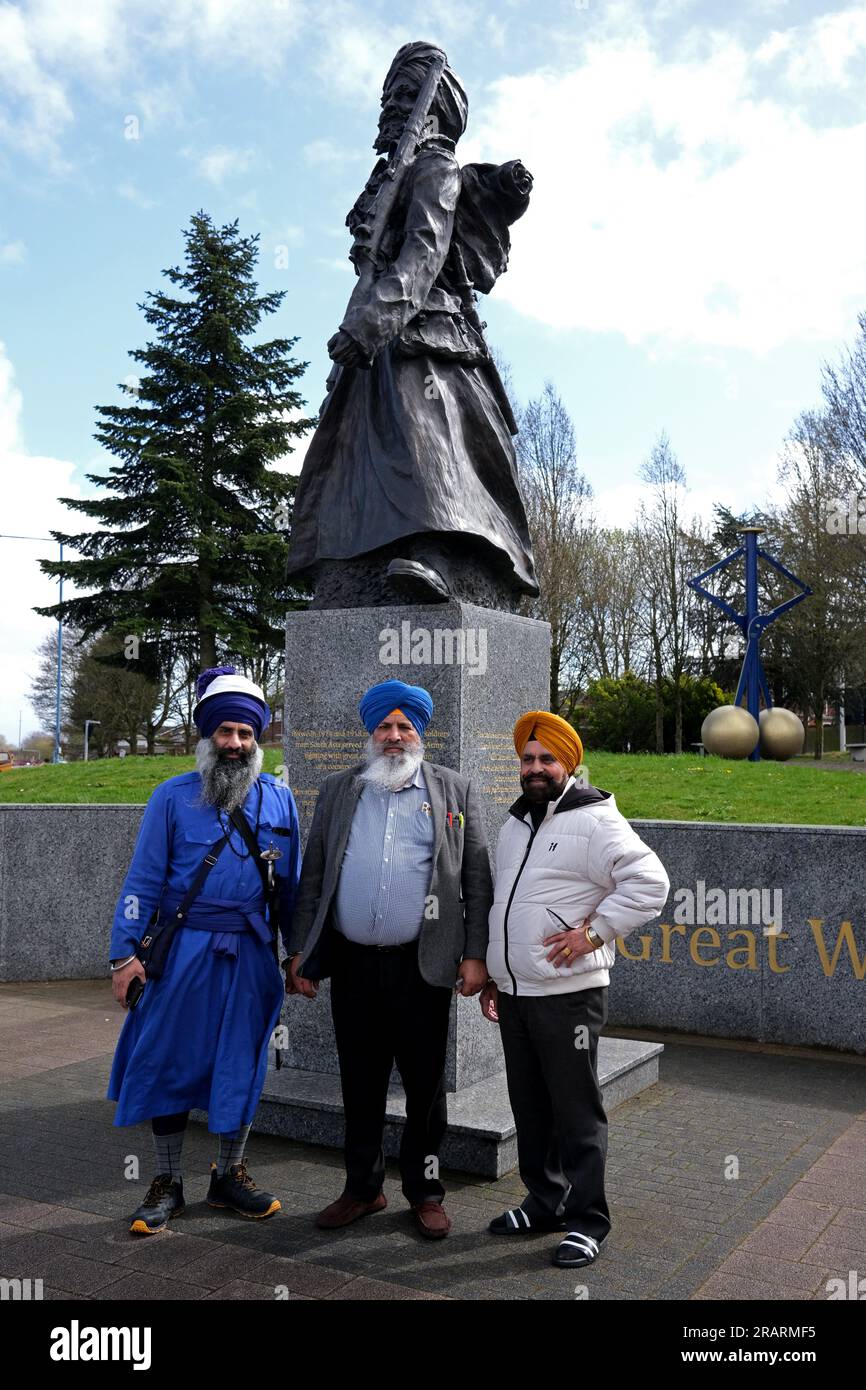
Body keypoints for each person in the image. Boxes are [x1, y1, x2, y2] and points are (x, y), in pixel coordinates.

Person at [285, 41, 539, 611]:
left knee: (426, 441)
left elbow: (424, 249)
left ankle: (434, 555)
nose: (393, 106)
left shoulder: (434, 167)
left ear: (436, 109)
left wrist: (373, 321)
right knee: (353, 458)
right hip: (377, 338)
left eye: (406, 95)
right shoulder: (388, 177)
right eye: (388, 96)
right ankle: (342, 571)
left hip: (425, 333)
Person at [287, 678, 492, 1238]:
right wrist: (299, 950)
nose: (394, 736)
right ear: (370, 732)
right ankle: (362, 1189)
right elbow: (314, 875)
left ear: (420, 733)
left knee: (425, 1088)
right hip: (353, 963)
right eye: (384, 726)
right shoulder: (338, 789)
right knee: (359, 1081)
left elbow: (476, 878)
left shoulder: (454, 790)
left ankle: (425, 1192)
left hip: (423, 965)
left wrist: (476, 955)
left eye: (405, 726)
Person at [107, 666, 301, 1234]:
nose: (236, 744)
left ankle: (230, 1174)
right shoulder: (170, 798)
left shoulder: (280, 802)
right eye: (225, 733)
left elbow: (290, 889)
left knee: (241, 1062)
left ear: (259, 739)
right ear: (207, 736)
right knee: (169, 1061)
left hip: (252, 957)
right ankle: (167, 1181)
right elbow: (141, 883)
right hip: (182, 956)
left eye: (246, 734)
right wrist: (125, 956)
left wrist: (296, 957)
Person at [482, 711, 670, 1268]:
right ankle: (545, 1201)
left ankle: (588, 1219)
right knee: (531, 1108)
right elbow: (507, 904)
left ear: (569, 764)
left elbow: (650, 883)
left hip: (569, 996)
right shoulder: (516, 822)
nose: (535, 768)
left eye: (547, 759)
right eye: (528, 759)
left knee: (576, 1112)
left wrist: (593, 933)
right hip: (518, 994)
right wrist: (499, 973)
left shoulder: (594, 819)